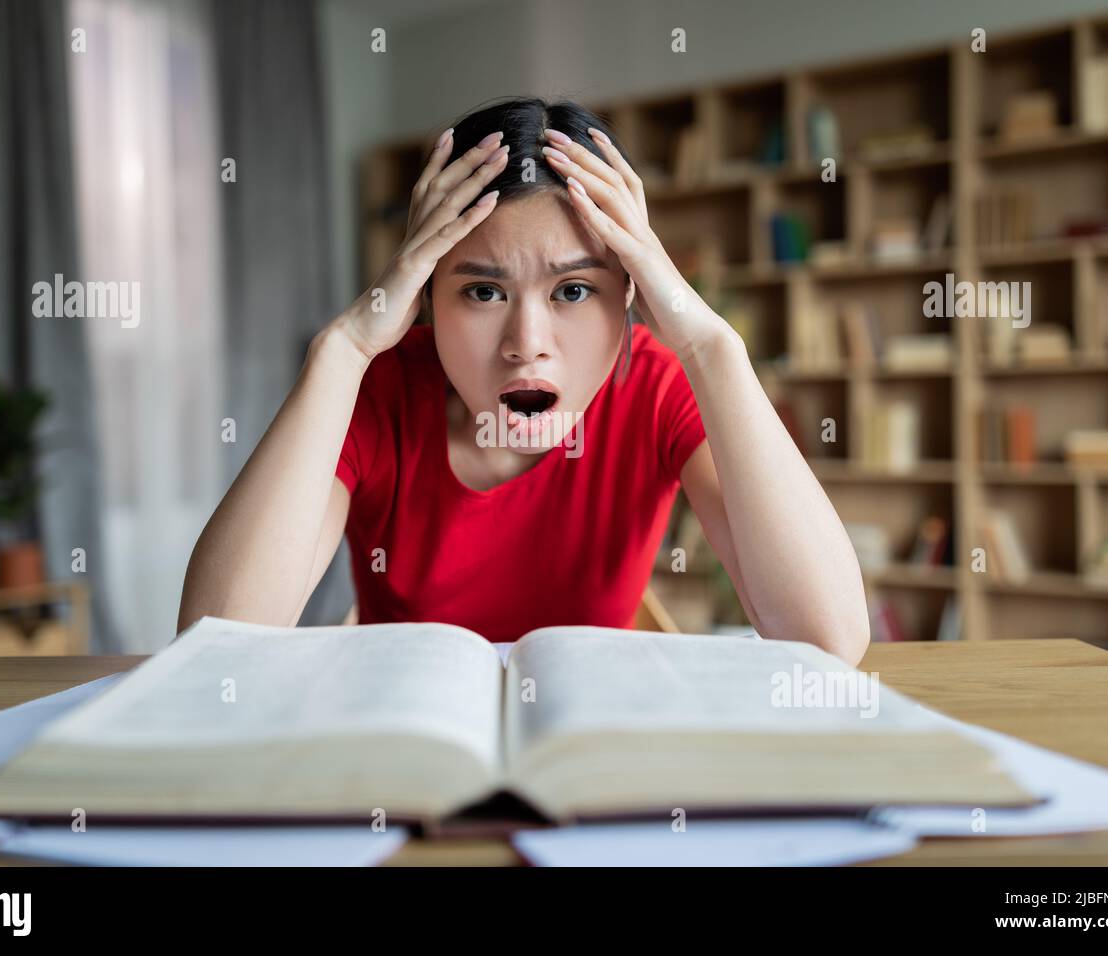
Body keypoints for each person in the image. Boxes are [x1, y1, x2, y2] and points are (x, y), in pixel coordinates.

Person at [177, 97, 870, 664]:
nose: (526, 347)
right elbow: (217, 643)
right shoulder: (376, 392)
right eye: (482, 293)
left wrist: (710, 344)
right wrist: (344, 345)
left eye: (573, 291)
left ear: (630, 293)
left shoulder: (655, 387)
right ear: (424, 295)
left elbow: (827, 641)